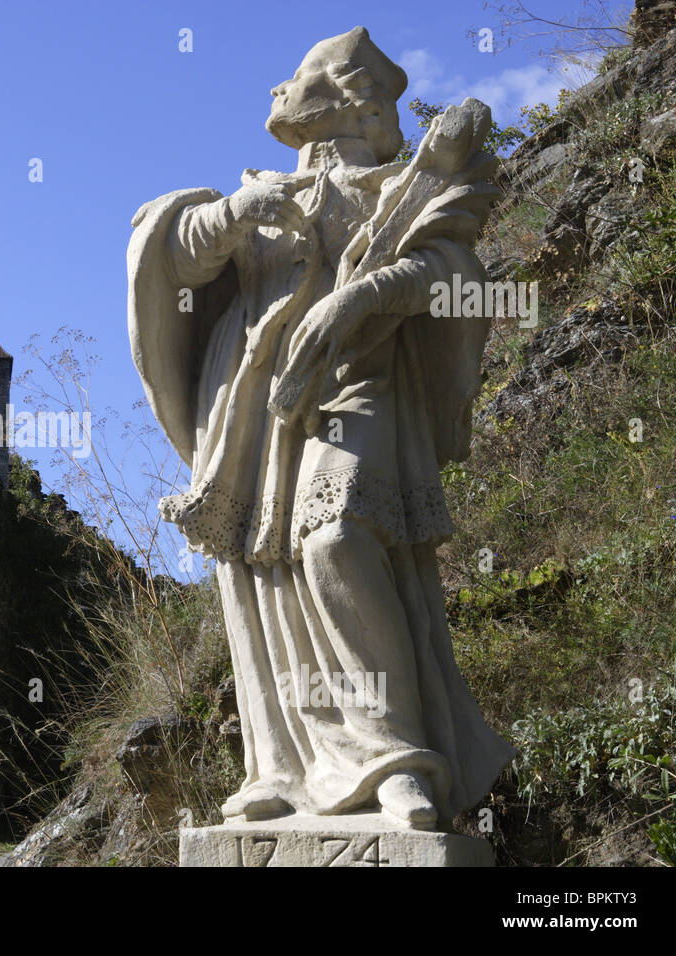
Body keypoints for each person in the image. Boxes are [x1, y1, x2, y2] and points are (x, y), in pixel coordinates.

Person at [127, 26, 514, 829]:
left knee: (335, 538)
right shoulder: (260, 190)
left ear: (355, 99)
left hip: (360, 380)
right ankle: (283, 763)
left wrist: (361, 297)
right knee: (259, 568)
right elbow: (174, 258)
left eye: (299, 79)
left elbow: (455, 274)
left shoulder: (400, 187)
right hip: (251, 399)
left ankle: (397, 757)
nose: (278, 92)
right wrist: (235, 215)